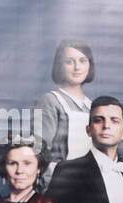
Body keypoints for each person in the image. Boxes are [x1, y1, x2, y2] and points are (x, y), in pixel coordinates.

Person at [36, 40, 94, 185]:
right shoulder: (49, 101)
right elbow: (38, 151)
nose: (77, 67)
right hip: (59, 184)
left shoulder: (92, 106)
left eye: (82, 60)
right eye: (69, 61)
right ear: (59, 66)